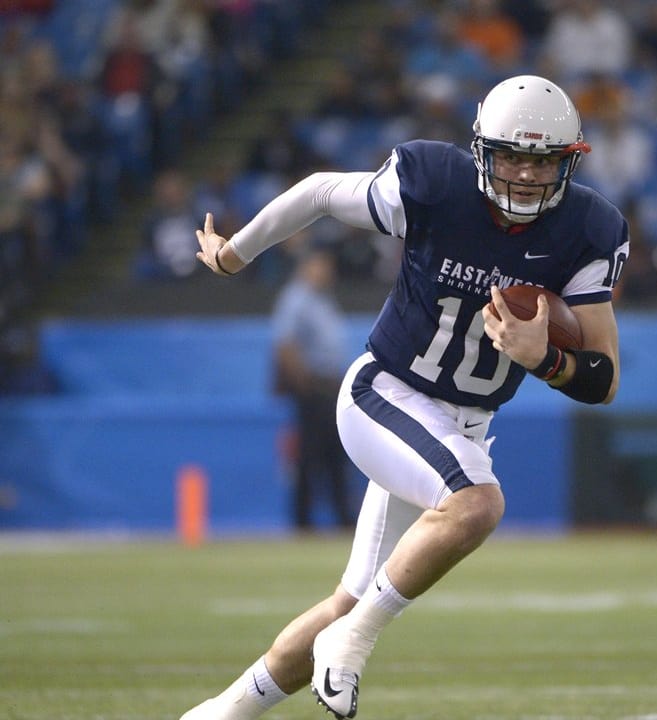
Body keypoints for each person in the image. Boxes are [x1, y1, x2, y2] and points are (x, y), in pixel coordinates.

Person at [180, 74, 629, 720]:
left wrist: (546, 360)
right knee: (476, 503)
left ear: (569, 162)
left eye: (545, 161)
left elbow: (603, 378)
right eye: (512, 157)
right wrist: (236, 254)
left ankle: (221, 712)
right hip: (385, 393)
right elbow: (320, 191)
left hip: (460, 428)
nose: (528, 176)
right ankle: (354, 640)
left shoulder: (588, 228)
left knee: (350, 598)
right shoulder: (434, 184)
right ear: (482, 151)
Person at [271, 243, 356, 531]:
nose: (327, 271)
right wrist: (304, 384)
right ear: (306, 267)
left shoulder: (324, 300)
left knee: (336, 454)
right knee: (310, 455)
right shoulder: (296, 298)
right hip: (314, 389)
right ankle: (303, 520)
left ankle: (343, 517)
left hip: (331, 387)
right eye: (321, 265)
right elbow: (285, 344)